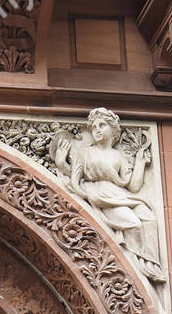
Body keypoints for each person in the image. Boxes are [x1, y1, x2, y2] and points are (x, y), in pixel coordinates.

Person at [51, 107, 165, 284]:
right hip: (99, 194)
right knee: (134, 223)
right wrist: (61, 162)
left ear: (113, 130)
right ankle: (133, 263)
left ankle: (149, 265)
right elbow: (75, 177)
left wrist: (141, 162)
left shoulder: (119, 156)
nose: (96, 129)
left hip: (119, 194)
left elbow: (133, 186)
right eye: (94, 126)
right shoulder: (85, 152)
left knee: (149, 218)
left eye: (102, 125)